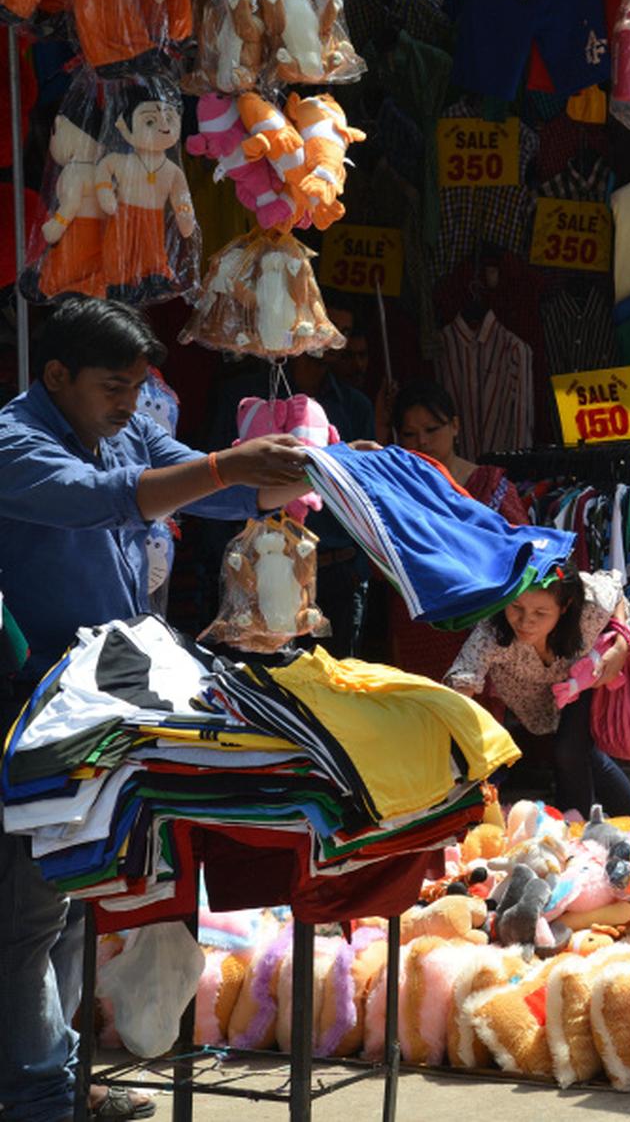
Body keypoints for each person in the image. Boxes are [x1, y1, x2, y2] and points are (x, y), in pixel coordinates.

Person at [0, 297, 323, 1122]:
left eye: (138, 387)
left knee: (78, 894)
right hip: (28, 701)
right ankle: (37, 1089)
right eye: (115, 387)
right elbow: (108, 497)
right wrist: (229, 467)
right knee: (31, 906)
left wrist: (294, 476)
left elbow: (194, 485)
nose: (128, 404)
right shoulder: (13, 442)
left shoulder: (126, 426)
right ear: (56, 376)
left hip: (108, 700)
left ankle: (54, 1072)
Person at [207, 349, 377, 658]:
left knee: (332, 682)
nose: (322, 348)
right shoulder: (243, 398)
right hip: (256, 566)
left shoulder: (354, 406)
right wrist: (233, 567)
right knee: (259, 677)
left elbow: (363, 491)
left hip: (338, 570)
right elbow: (215, 478)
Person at [445, 563, 630, 818]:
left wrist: (622, 645)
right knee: (585, 755)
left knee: (569, 748)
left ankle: (573, 832)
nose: (526, 621)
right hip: (544, 693)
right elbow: (463, 679)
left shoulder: (589, 607)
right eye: (516, 607)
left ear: (565, 607)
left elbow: (615, 589)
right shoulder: (492, 630)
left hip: (591, 671)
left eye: (540, 612)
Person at [387, 380, 528, 680]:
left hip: (482, 625)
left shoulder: (491, 484)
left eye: (432, 429)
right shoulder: (396, 490)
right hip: (420, 625)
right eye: (410, 434)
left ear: (455, 426)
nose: (422, 441)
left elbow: (522, 552)